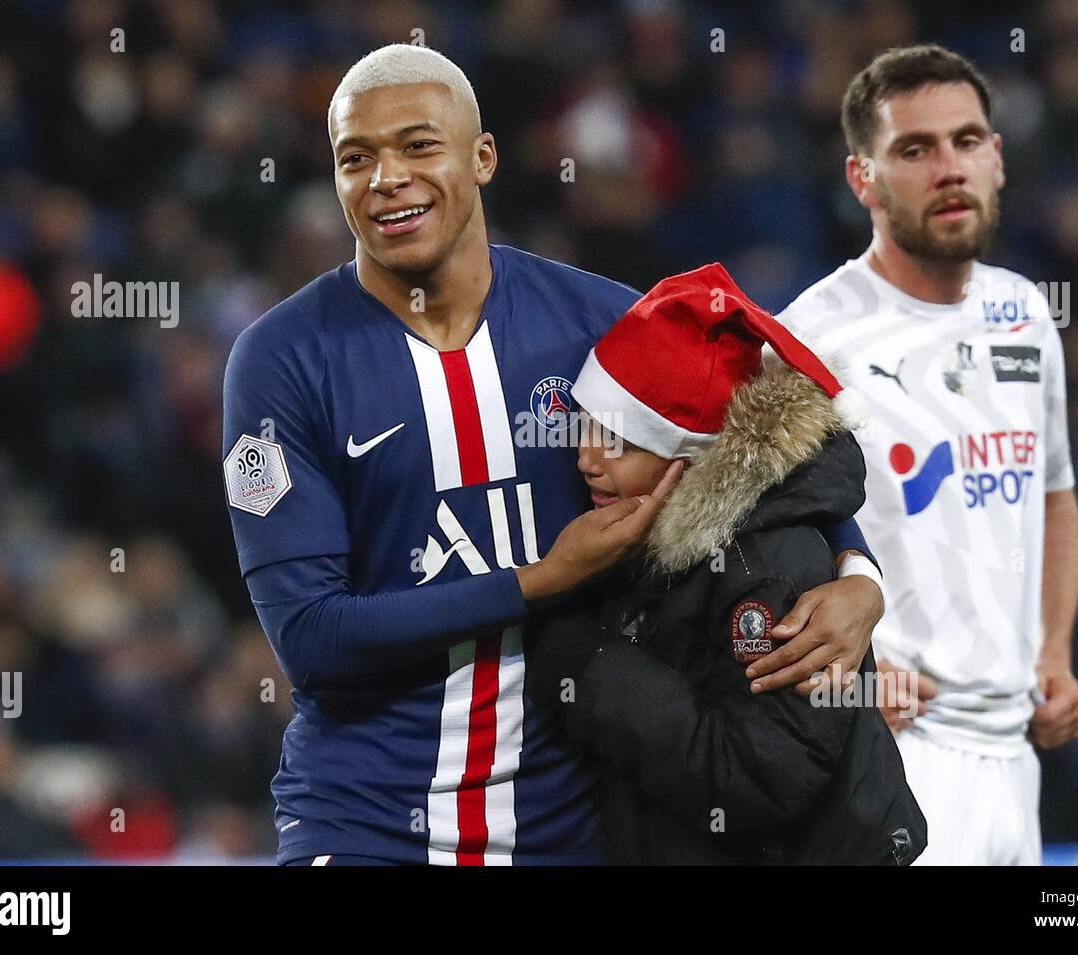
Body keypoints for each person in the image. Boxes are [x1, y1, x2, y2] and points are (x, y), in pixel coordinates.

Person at [221, 43, 887, 865]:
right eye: (355, 158)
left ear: (484, 157)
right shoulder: (283, 358)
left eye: (419, 145)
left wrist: (859, 575)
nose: (385, 176)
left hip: (574, 826)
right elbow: (313, 640)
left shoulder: (599, 325)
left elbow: (771, 449)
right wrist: (541, 581)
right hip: (362, 822)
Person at [770, 44, 1078, 865]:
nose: (950, 166)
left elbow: (1053, 496)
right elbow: (752, 550)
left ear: (999, 158)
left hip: (1016, 758)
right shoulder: (811, 340)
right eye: (915, 149)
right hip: (893, 748)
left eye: (968, 140)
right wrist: (856, 663)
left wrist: (1054, 652)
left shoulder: (1024, 312)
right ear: (862, 179)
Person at [526, 263, 927, 865]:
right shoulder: (653, 537)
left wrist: (582, 660)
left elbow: (753, 779)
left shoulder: (768, 571)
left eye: (620, 441)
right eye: (584, 429)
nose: (587, 460)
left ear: (688, 460)